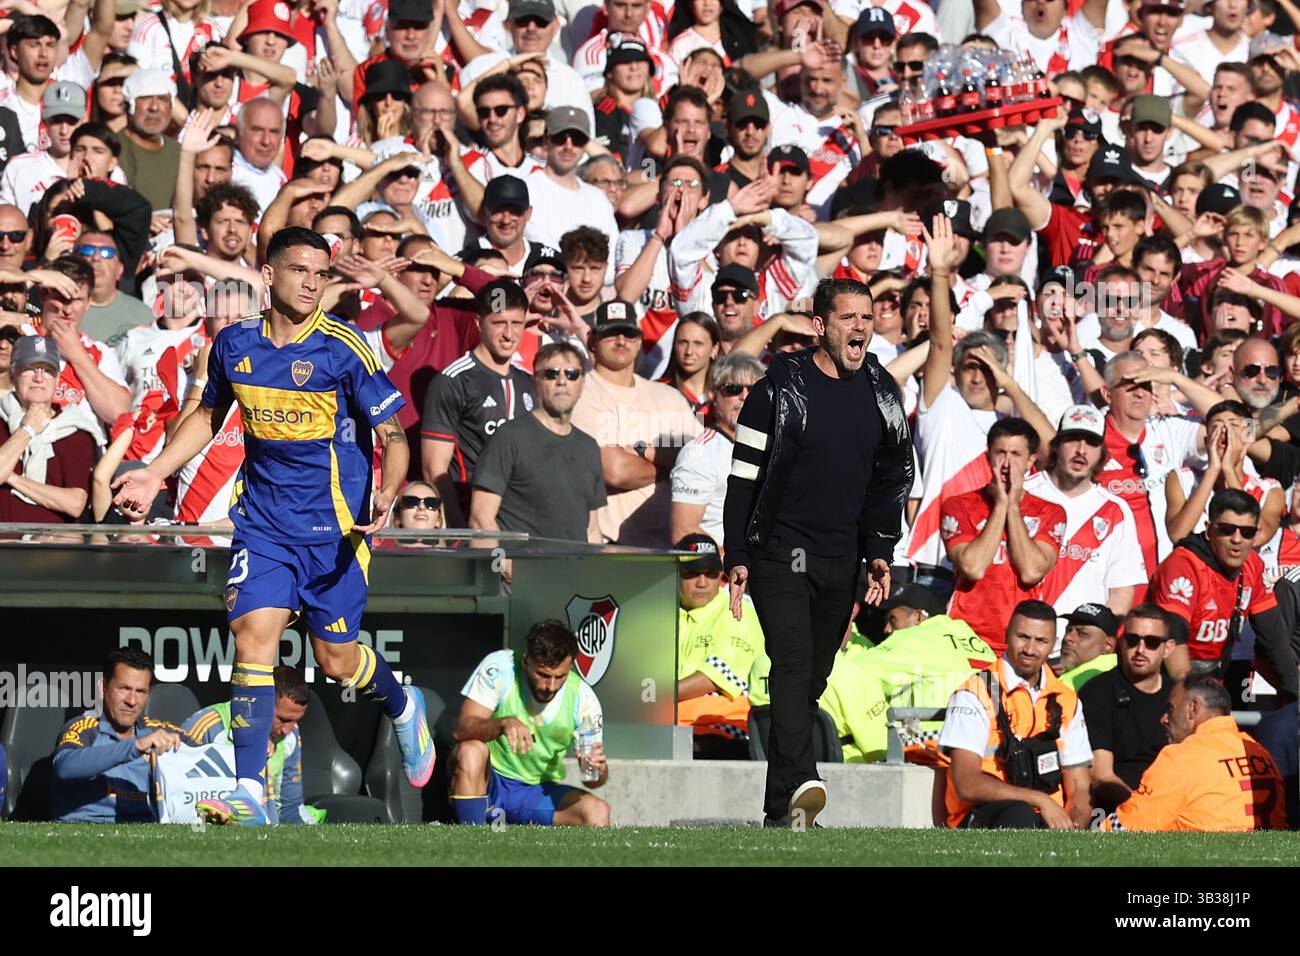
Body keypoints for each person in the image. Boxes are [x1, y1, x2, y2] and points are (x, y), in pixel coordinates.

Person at [112, 227, 436, 825]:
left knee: (336, 659)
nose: (312, 283)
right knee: (252, 636)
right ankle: (250, 791)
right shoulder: (234, 345)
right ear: (269, 274)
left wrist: (388, 490)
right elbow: (206, 415)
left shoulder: (345, 349)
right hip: (262, 525)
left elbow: (392, 435)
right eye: (300, 270)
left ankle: (401, 702)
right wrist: (154, 473)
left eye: (321, 273)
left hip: (336, 532)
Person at [725, 276, 912, 828]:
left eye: (866, 317)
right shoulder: (777, 389)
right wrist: (738, 553)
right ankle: (807, 779)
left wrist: (880, 547)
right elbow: (742, 478)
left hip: (843, 559)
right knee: (792, 662)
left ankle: (779, 807)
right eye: (848, 318)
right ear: (820, 326)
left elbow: (894, 476)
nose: (860, 328)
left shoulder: (882, 390)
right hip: (779, 552)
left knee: (811, 681)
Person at [939, 599, 1094, 830]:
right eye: (1023, 637)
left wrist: (1073, 826)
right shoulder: (976, 691)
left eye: (1041, 641)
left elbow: (1081, 788)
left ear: (1053, 644)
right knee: (1019, 815)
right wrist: (1039, 800)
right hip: (981, 815)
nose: (1030, 649)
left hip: (1046, 816)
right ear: (1006, 635)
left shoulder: (1066, 699)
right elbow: (967, 784)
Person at [448, 619, 611, 827]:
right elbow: (461, 730)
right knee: (471, 751)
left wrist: (596, 768)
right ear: (526, 661)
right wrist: (502, 724)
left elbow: (594, 781)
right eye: (543, 675)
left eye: (560, 676)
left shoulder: (583, 698)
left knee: (598, 811)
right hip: (488, 782)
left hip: (535, 793)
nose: (550, 686)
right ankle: (469, 845)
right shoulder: (501, 666)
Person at [570, 299, 701, 546]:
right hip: (612, 543)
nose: (621, 341)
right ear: (592, 342)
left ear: (640, 341)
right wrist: (671, 468)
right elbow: (615, 471)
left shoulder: (668, 396)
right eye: (610, 334)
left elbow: (699, 460)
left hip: (670, 546)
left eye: (629, 334)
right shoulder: (581, 391)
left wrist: (641, 450)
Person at [1148, 488, 1297, 697]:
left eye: (1247, 532)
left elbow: (1274, 640)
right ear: (1209, 529)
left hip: (1214, 677)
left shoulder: (1253, 565)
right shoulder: (1183, 565)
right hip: (1166, 681)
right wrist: (1195, 702)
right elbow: (1173, 641)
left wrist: (1295, 697)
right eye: (1227, 529)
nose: (1237, 539)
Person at [942, 418, 1067, 655]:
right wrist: (1000, 506)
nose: (1007, 464)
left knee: (1006, 694)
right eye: (1001, 453)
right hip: (963, 639)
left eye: (1016, 455)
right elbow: (973, 567)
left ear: (1031, 460)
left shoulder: (1051, 512)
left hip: (1019, 643)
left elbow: (1032, 571)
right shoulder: (958, 505)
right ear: (988, 455)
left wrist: (1013, 507)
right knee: (970, 693)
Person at [1101, 675, 1286, 831]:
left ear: (1193, 708)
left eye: (1170, 708)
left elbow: (1124, 829)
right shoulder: (1260, 752)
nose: (1163, 718)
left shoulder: (1181, 757)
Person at [421, 277, 535, 526]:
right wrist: (459, 531)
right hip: (470, 520)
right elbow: (434, 468)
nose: (509, 334)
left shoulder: (530, 383)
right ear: (478, 323)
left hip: (521, 523)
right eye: (499, 323)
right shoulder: (453, 381)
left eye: (517, 323)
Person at [470, 340, 605, 542]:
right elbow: (481, 520)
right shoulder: (508, 437)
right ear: (535, 381)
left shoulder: (590, 447)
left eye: (571, 374)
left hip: (575, 571)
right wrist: (504, 566)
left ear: (581, 383)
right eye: (551, 374)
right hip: (521, 569)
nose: (562, 381)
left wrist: (595, 572)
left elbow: (592, 529)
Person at [1026, 405, 1147, 625]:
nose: (1081, 450)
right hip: (1021, 639)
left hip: (1081, 650)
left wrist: (1096, 639)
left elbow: (1120, 592)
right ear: (1057, 445)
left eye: (1091, 443)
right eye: (1072, 439)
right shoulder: (1023, 493)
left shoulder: (1116, 511)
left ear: (1102, 453)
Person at [52, 648, 198, 823]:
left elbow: (210, 759)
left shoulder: (161, 731)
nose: (132, 701)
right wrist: (135, 746)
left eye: (141, 691)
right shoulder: (84, 727)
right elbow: (65, 767)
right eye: (124, 688)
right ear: (103, 687)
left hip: (150, 831)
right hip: (87, 827)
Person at [182, 665, 322, 824]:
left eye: (295, 721)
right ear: (262, 703)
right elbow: (173, 784)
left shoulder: (291, 735)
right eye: (283, 719)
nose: (287, 730)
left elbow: (289, 806)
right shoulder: (209, 725)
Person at [676, 532, 767, 757]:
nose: (702, 582)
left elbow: (713, 678)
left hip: (724, 732)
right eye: (691, 573)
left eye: (711, 573)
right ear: (674, 574)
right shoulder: (657, 614)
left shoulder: (738, 612)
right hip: (668, 728)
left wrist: (652, 699)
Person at [1080, 604, 1174, 811]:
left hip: (1171, 801)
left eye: (1151, 642)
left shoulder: (1178, 695)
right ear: (1121, 644)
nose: (1140, 650)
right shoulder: (1097, 691)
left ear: (1168, 648)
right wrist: (1142, 812)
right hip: (1119, 808)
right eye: (1132, 640)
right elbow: (1101, 775)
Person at [0, 335, 99, 522]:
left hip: (54, 545)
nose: (39, 378)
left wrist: (12, 478)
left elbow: (75, 504)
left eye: (48, 370)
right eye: (30, 368)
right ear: (12, 375)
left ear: (57, 380)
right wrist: (26, 430)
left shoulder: (75, 430)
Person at [669, 350, 764, 543]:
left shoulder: (772, 445)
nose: (744, 397)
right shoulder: (699, 453)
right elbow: (683, 532)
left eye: (754, 390)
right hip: (723, 568)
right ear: (713, 395)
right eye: (733, 389)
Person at [1056, 603, 1119, 689]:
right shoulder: (1117, 674)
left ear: (1108, 645)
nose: (1068, 638)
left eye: (1082, 634)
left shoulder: (1093, 683)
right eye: (1068, 630)